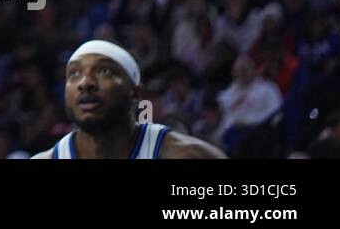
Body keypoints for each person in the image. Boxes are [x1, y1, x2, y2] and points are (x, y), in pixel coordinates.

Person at [31, 40, 225, 159]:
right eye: (74, 73)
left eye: (105, 71)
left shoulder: (188, 156)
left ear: (135, 92)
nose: (85, 82)